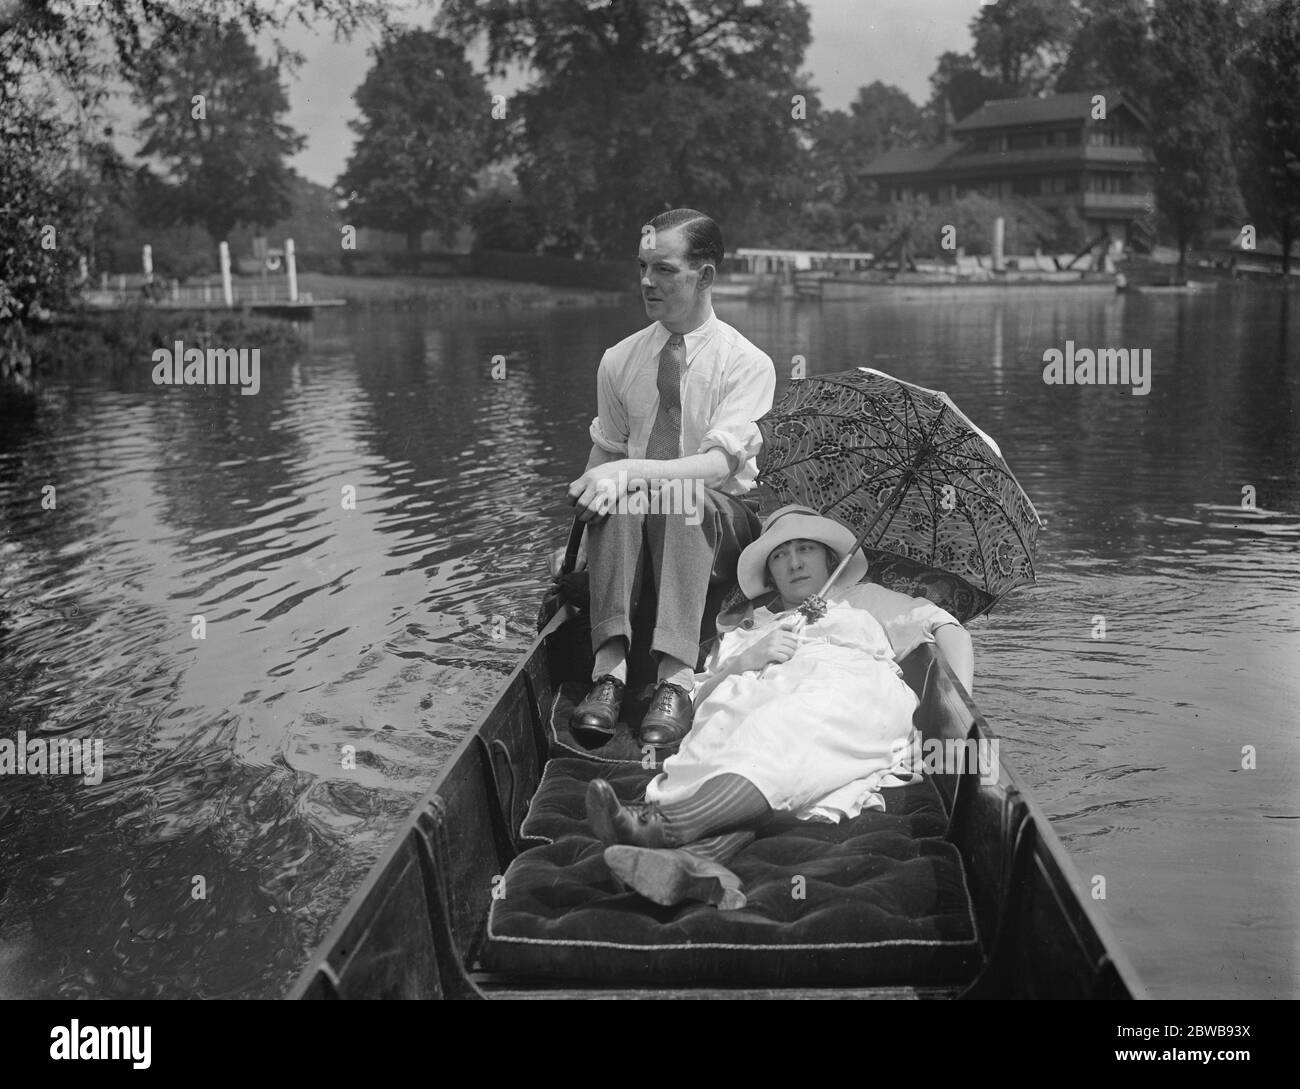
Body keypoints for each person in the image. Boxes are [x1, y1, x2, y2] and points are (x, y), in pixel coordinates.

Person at [585, 504, 975, 910]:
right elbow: (699, 695)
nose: (793, 562)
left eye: (805, 548)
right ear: (770, 572)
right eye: (779, 555)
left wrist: (958, 715)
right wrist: (746, 659)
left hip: (846, 686)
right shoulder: (749, 623)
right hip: (761, 694)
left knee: (780, 727)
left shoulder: (864, 599)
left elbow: (948, 629)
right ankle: (693, 862)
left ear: (829, 558)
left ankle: (661, 825)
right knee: (735, 731)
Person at [566, 209, 776, 747]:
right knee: (617, 499)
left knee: (677, 492)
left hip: (718, 518)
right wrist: (584, 521)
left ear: (704, 277)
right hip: (640, 514)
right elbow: (606, 453)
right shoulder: (619, 360)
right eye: (642, 266)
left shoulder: (747, 364)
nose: (645, 281)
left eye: (663, 269)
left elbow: (716, 466)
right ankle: (608, 675)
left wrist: (628, 471)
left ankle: (675, 680)